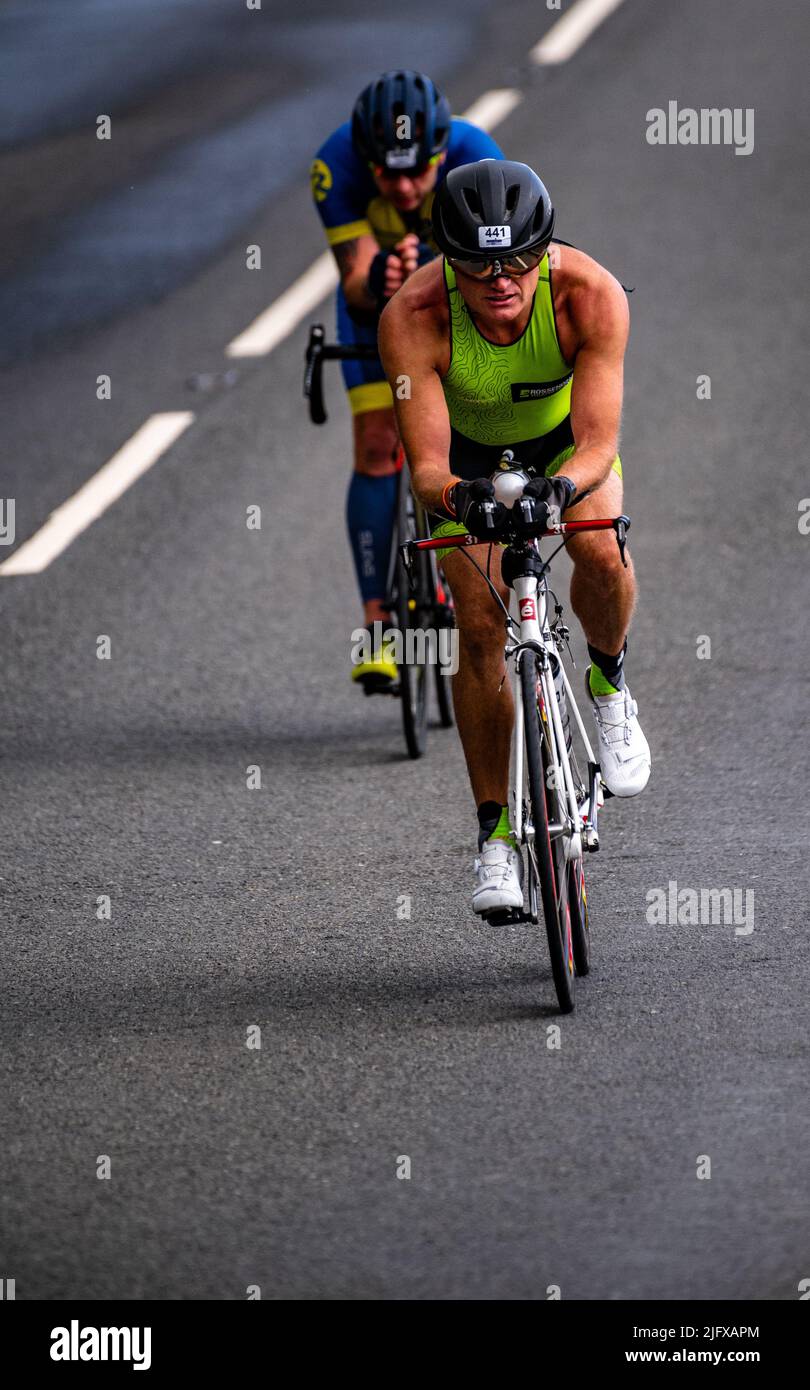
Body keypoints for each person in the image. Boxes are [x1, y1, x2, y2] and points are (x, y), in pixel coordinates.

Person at [378, 158, 651, 915]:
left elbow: (599, 441)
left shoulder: (589, 295)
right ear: (448, 261)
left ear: (546, 252)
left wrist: (562, 491)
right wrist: (463, 497)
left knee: (598, 544)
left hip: (566, 451)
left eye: (519, 260)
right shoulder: (412, 316)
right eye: (477, 264)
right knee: (475, 629)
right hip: (465, 465)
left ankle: (609, 683)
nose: (501, 279)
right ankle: (495, 838)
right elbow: (426, 466)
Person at [310, 71, 503, 687]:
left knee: (460, 438)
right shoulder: (334, 165)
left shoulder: (480, 158)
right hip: (375, 307)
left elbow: (497, 277)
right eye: (386, 174)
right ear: (365, 160)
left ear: (442, 154)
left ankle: (471, 593)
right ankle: (379, 628)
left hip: (457, 301)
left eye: (416, 172)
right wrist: (381, 284)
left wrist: (432, 272)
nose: (402, 187)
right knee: (375, 445)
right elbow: (354, 279)